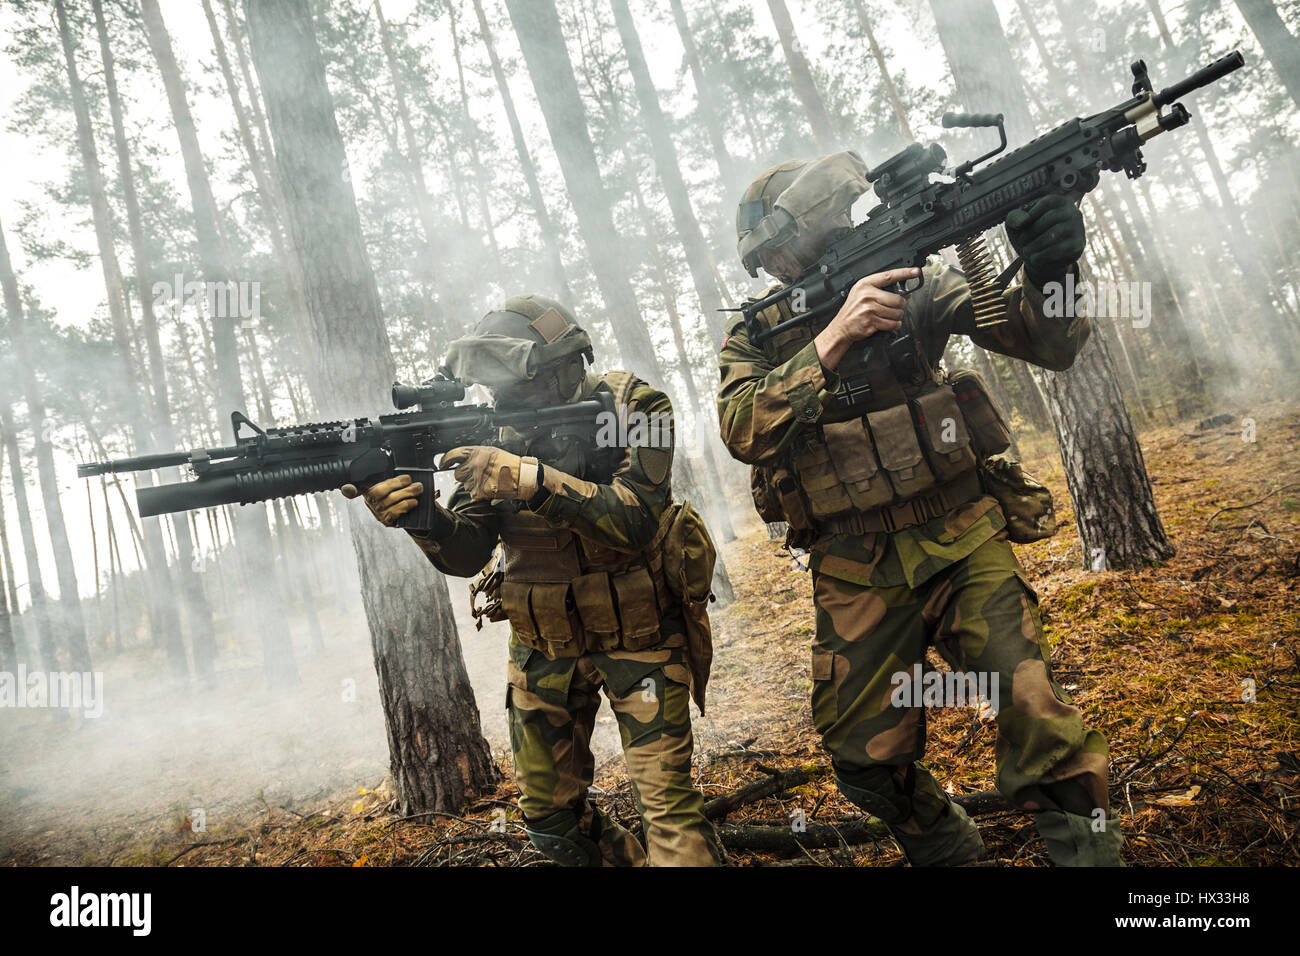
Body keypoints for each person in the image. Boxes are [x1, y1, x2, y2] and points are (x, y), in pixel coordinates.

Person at [717, 151, 1123, 866]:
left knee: (1041, 724)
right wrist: (836, 335)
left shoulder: (914, 281)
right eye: (766, 258)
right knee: (864, 764)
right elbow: (743, 429)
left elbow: (1046, 343)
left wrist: (1050, 268)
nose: (778, 264)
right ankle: (953, 851)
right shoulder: (757, 333)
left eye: (782, 247)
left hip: (961, 536)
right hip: (853, 567)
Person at [347, 293, 723, 867]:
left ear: (568, 366)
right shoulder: (492, 430)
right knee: (553, 824)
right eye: (495, 389)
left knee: (670, 817)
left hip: (641, 632)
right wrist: (419, 516)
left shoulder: (639, 406)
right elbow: (468, 552)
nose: (503, 401)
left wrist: (531, 480)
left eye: (519, 386)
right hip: (544, 642)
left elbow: (635, 519)